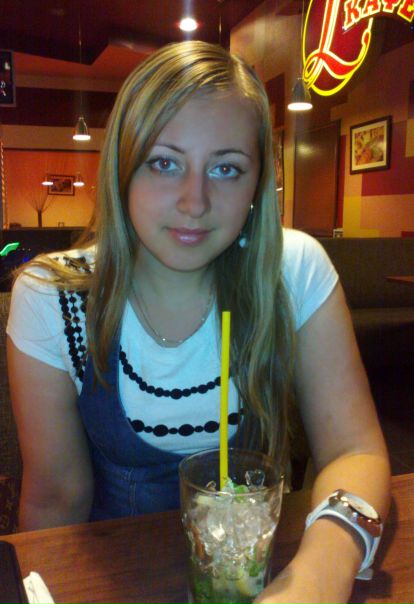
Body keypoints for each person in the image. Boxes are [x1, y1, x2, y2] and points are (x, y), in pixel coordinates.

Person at [7, 41, 390, 603]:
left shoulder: (293, 270)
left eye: (226, 169)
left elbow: (355, 451)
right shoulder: (51, 297)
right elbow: (56, 498)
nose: (195, 202)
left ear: (257, 185)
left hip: (265, 574)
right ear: (122, 170)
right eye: (164, 162)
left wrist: (316, 580)